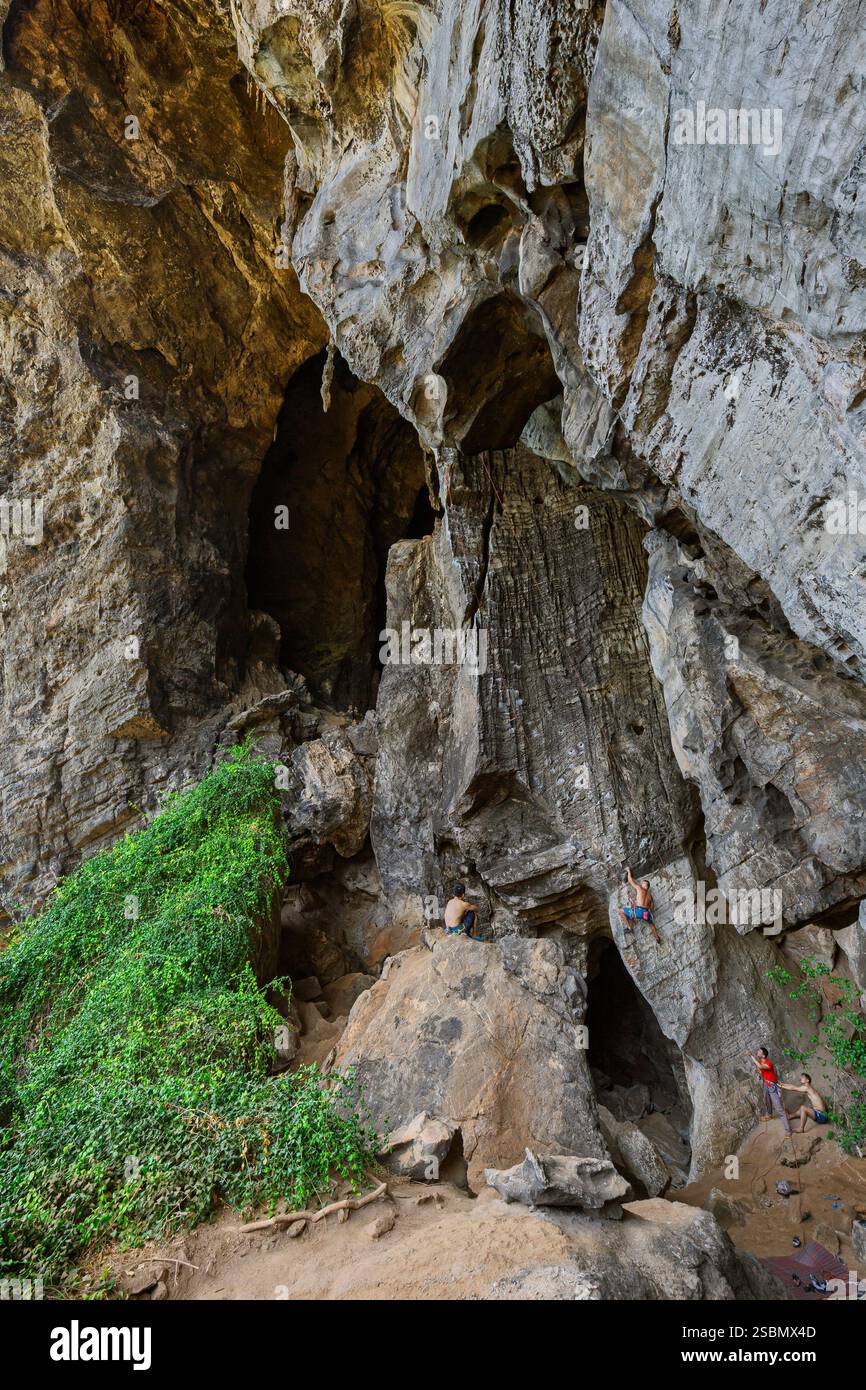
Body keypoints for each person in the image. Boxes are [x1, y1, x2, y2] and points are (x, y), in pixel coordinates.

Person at [750, 1046, 791, 1135]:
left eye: (759, 1051)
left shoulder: (768, 1063)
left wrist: (751, 1057)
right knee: (765, 1098)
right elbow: (761, 1069)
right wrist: (760, 1072)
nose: (757, 1052)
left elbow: (761, 1066)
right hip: (766, 1083)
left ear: (763, 1055)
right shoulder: (761, 1061)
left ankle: (788, 1130)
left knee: (779, 1108)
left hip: (772, 1086)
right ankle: (769, 1114)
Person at [620, 866, 660, 942]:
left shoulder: (639, 888)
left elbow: (630, 880)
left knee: (621, 911)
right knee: (651, 923)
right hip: (646, 913)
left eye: (643, 883)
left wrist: (628, 871)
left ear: (646, 886)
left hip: (638, 912)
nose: (641, 884)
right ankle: (657, 937)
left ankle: (629, 927)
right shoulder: (650, 896)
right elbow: (651, 907)